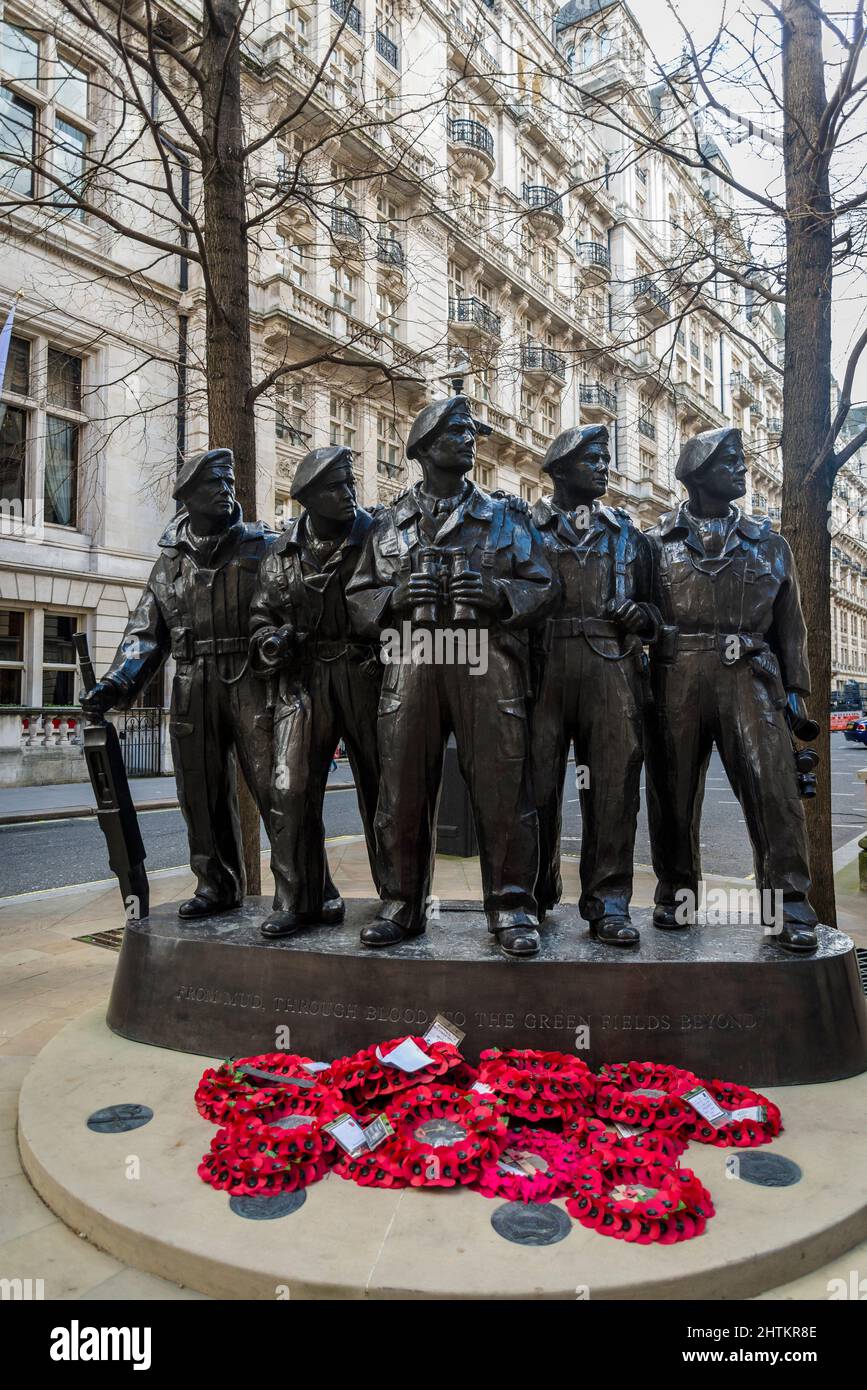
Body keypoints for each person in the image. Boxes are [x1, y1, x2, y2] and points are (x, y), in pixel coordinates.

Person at [347, 394, 556, 958]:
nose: (470, 439)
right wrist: (394, 596)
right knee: (402, 788)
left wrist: (499, 593)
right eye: (458, 432)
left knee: (504, 787)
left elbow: (542, 587)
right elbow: (358, 599)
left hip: (484, 660)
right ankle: (401, 904)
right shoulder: (388, 522)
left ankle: (512, 906)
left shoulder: (506, 517)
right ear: (424, 448)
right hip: (411, 660)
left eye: (470, 431)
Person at [80, 449, 276, 918]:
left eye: (228, 482)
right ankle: (216, 884)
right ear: (188, 497)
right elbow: (146, 632)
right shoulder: (168, 563)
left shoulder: (261, 545)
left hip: (249, 676)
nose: (226, 491)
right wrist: (115, 683)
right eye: (214, 485)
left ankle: (303, 888)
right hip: (192, 682)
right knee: (198, 790)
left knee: (276, 785)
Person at [644, 426, 818, 952]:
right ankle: (676, 891)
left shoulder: (770, 542)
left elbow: (791, 625)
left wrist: (794, 688)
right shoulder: (655, 544)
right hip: (677, 674)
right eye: (732, 462)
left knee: (773, 790)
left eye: (741, 461)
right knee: (672, 790)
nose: (744, 470)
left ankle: (788, 902)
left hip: (750, 675)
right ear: (698, 474)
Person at [531, 424, 658, 946]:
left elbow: (658, 617)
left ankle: (608, 903)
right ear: (560, 469)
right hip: (543, 665)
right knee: (534, 786)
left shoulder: (629, 534)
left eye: (606, 459)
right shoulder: (525, 528)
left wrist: (639, 616)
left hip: (612, 665)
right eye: (593, 460)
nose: (605, 467)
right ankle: (532, 897)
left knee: (612, 788)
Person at [248, 446, 381, 938]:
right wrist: (269, 641)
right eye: (336, 487)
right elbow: (260, 616)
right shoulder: (280, 553)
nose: (348, 494)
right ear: (306, 498)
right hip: (302, 682)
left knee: (382, 789)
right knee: (291, 790)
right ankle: (299, 898)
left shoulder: (376, 536)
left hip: (363, 675)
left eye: (350, 484)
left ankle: (399, 900)